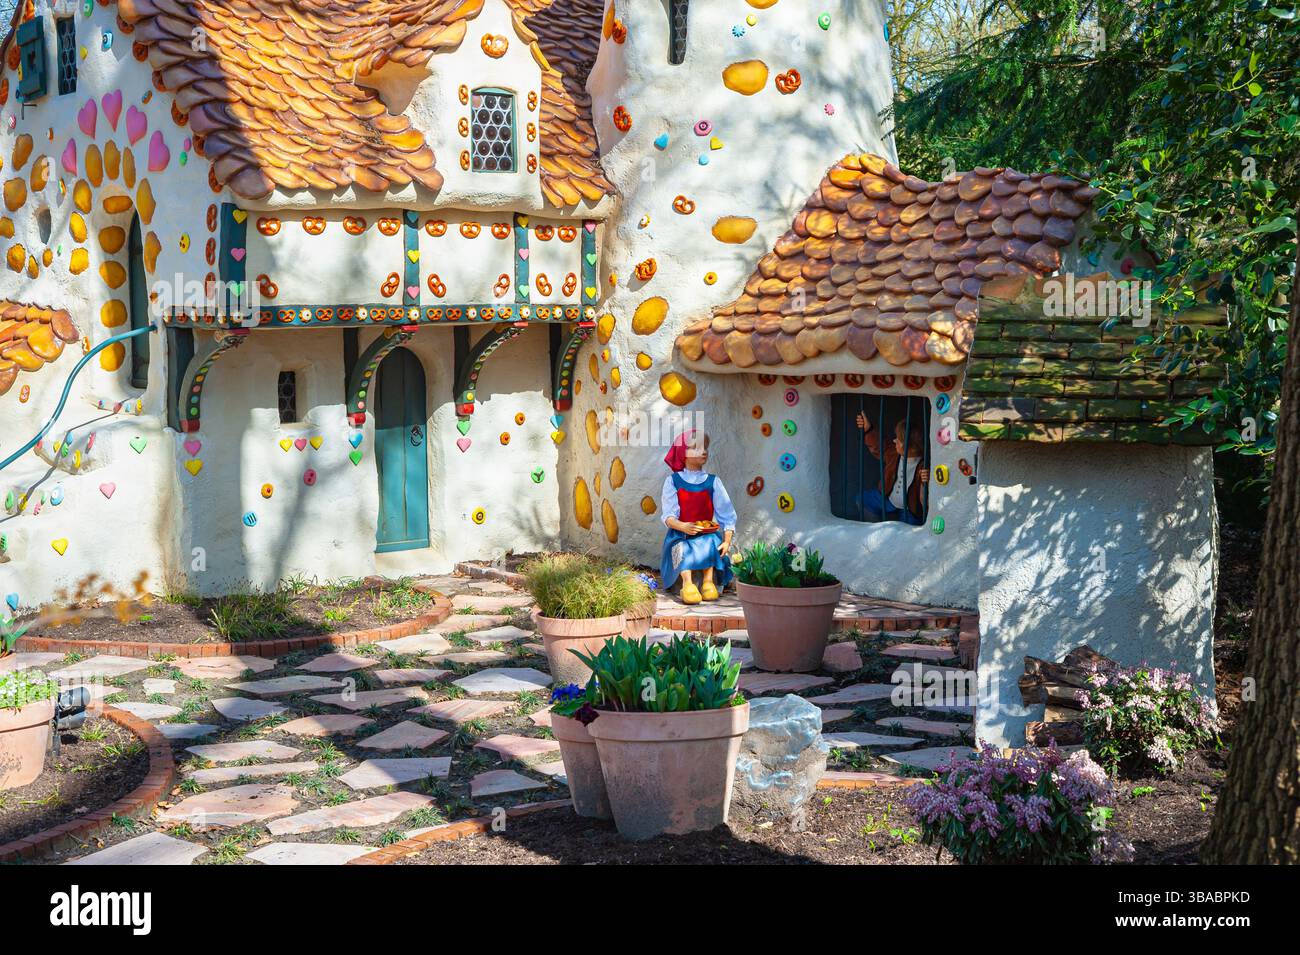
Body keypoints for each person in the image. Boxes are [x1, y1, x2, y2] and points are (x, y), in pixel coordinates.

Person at [659, 431, 736, 604]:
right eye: (696, 447)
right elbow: (669, 515)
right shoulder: (673, 481)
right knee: (681, 547)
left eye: (705, 447)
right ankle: (688, 583)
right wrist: (683, 526)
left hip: (706, 532)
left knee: (711, 542)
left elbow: (726, 513)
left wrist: (727, 539)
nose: (703, 451)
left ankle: (708, 582)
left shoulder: (713, 481)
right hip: (680, 533)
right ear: (682, 453)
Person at [856, 410, 929, 525]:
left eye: (898, 440)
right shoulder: (894, 454)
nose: (894, 440)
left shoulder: (923, 465)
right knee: (863, 500)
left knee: (908, 530)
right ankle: (875, 529)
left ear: (908, 446)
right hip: (887, 498)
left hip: (909, 509)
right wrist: (868, 429)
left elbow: (924, 497)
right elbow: (880, 446)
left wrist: (925, 482)